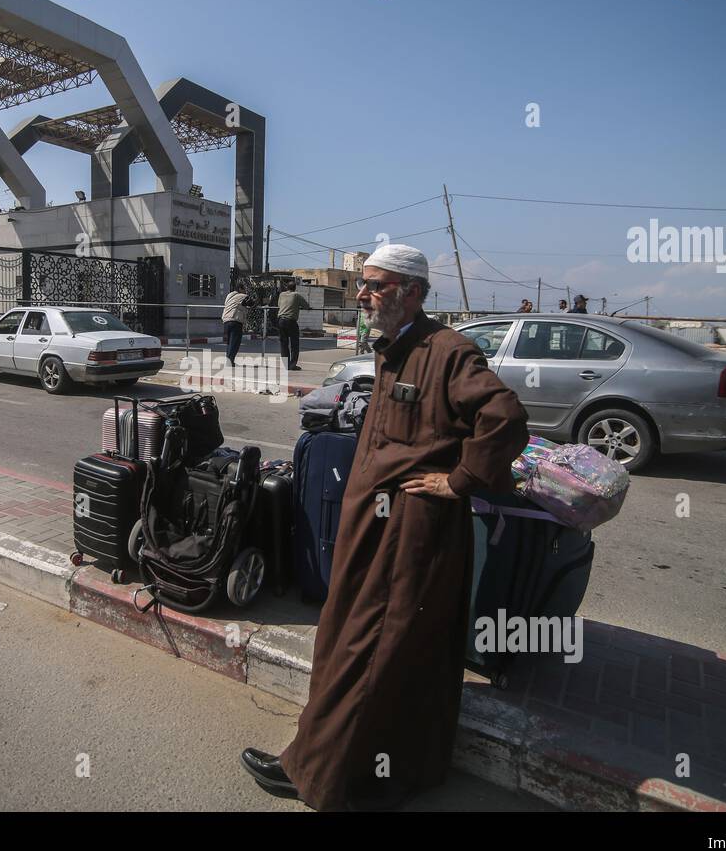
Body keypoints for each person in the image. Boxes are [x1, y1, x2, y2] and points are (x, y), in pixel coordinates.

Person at [241, 243, 529, 811]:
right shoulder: (392, 348)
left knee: (363, 647)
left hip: (406, 533)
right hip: (373, 528)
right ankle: (400, 773)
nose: (363, 295)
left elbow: (505, 417)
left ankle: (316, 774)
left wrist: (460, 480)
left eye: (375, 285)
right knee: (395, 647)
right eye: (362, 285)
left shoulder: (446, 350)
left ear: (413, 292)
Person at [276, 280, 310, 371]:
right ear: (295, 288)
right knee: (294, 344)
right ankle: (292, 365)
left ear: (287, 287)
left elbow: (279, 305)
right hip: (291, 321)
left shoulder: (281, 295)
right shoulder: (296, 295)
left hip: (281, 321)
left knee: (284, 344)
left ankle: (285, 365)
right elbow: (306, 306)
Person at [221, 281, 249, 365]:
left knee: (229, 342)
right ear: (240, 289)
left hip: (226, 320)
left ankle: (229, 361)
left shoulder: (229, 295)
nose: (245, 291)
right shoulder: (242, 296)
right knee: (235, 343)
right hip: (235, 321)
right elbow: (251, 303)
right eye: (244, 289)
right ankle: (230, 362)